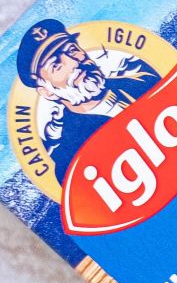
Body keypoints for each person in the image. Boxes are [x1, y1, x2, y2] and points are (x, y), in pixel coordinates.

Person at [14, 20, 156, 183]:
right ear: (47, 92)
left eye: (72, 50)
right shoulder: (71, 159)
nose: (75, 62)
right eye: (57, 66)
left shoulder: (146, 80)